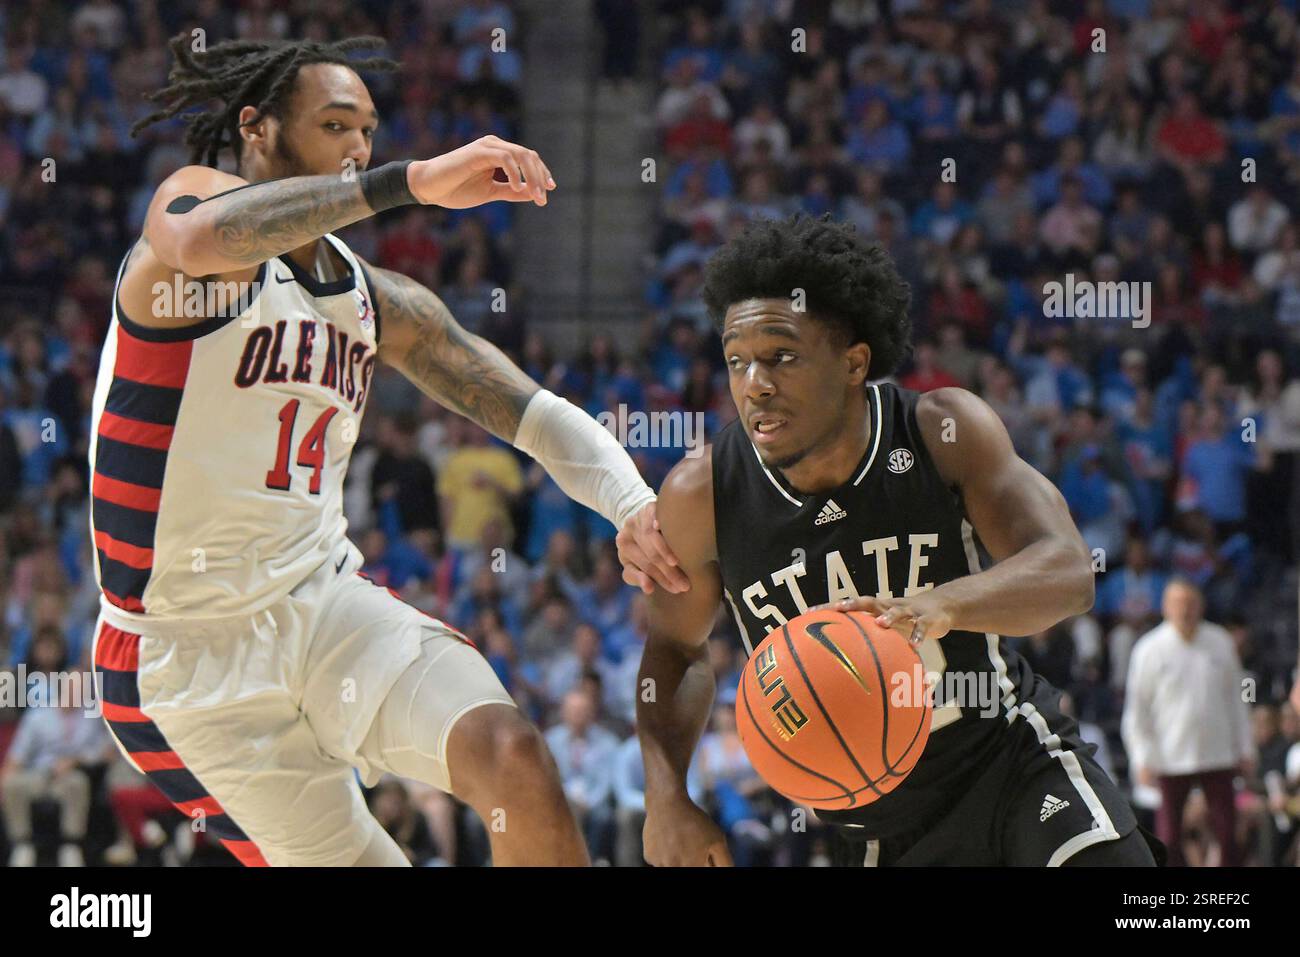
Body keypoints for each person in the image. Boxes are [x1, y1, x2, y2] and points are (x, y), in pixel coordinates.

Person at [88, 34, 686, 867]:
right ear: (257, 130)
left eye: (368, 131)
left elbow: (528, 410)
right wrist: (406, 182)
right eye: (336, 125)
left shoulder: (375, 300)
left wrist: (632, 505)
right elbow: (198, 239)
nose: (359, 148)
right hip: (187, 659)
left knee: (514, 756)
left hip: (325, 605)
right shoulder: (194, 227)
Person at [636, 214, 1159, 866]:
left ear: (855, 362)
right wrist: (665, 794)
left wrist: (942, 604)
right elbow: (673, 650)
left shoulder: (942, 430)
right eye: (736, 362)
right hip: (875, 829)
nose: (754, 384)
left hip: (1008, 764)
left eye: (782, 357)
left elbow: (1068, 571)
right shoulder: (702, 494)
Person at [1121, 578, 1255, 866]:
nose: (1185, 610)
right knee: (1168, 837)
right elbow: (1137, 711)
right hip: (1170, 757)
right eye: (1179, 604)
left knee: (1227, 833)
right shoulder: (1149, 649)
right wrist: (1140, 757)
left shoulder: (1220, 641)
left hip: (1218, 753)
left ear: (1201, 606)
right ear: (1166, 607)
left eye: (1191, 603)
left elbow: (1237, 700)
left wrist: (1246, 747)